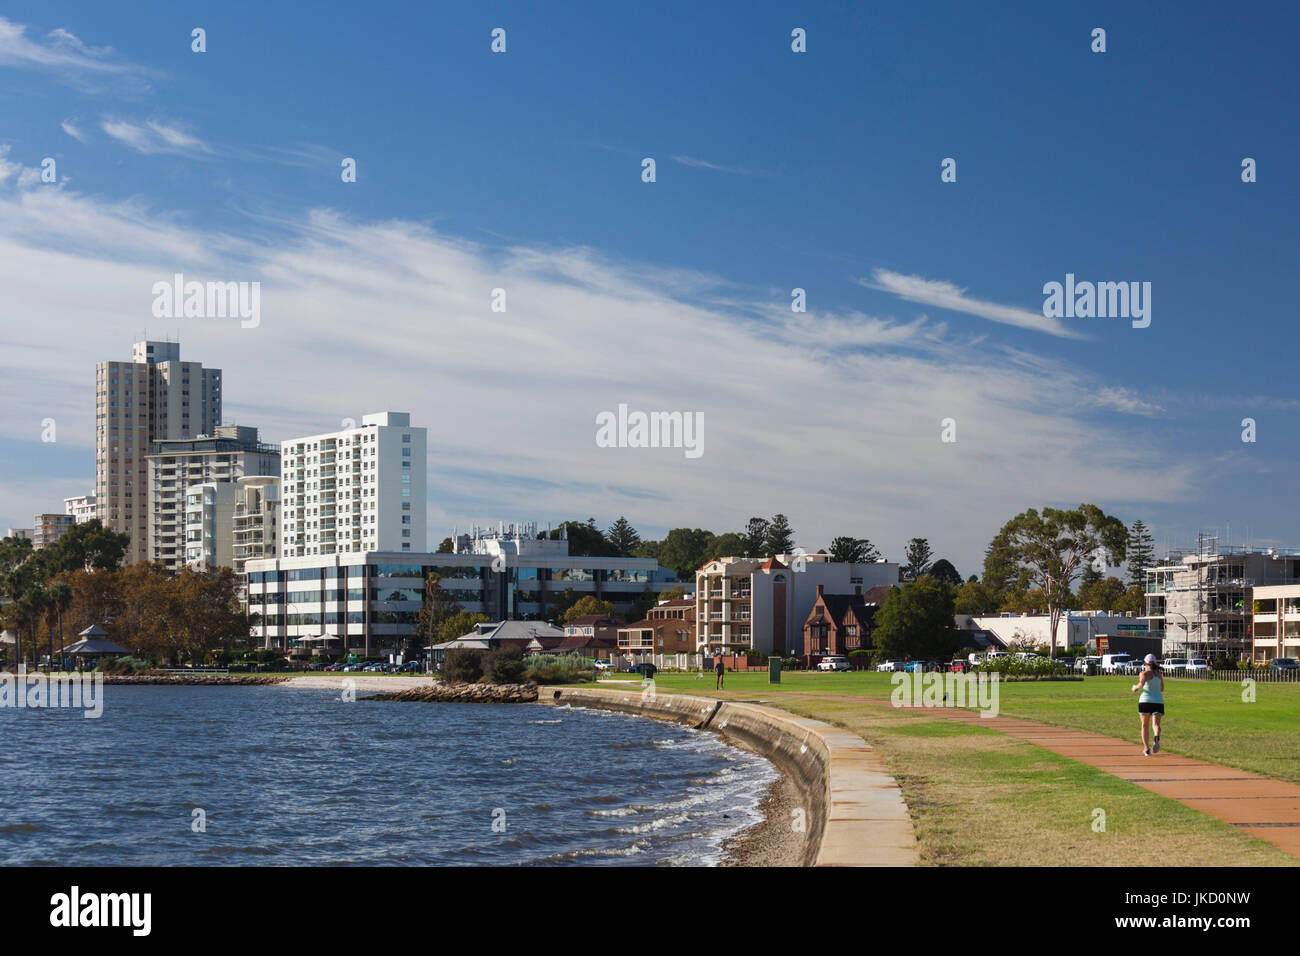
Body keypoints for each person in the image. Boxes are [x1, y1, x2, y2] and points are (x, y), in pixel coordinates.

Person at [1131, 653, 1165, 756]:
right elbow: (1162, 689)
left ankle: (1146, 749)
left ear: (1146, 663)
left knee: (1145, 725)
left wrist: (1135, 688)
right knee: (1156, 724)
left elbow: (1141, 683)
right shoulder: (1159, 674)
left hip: (1145, 700)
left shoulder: (1144, 673)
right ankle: (1156, 737)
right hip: (1158, 701)